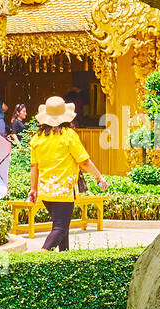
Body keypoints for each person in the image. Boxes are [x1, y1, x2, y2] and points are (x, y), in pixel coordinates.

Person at [29, 96, 107, 251]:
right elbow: (84, 162)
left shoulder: (37, 138)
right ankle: (39, 257)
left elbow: (34, 167)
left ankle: (64, 259)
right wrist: (99, 176)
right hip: (63, 190)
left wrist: (33, 189)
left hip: (45, 191)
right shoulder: (68, 135)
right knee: (60, 228)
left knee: (62, 226)